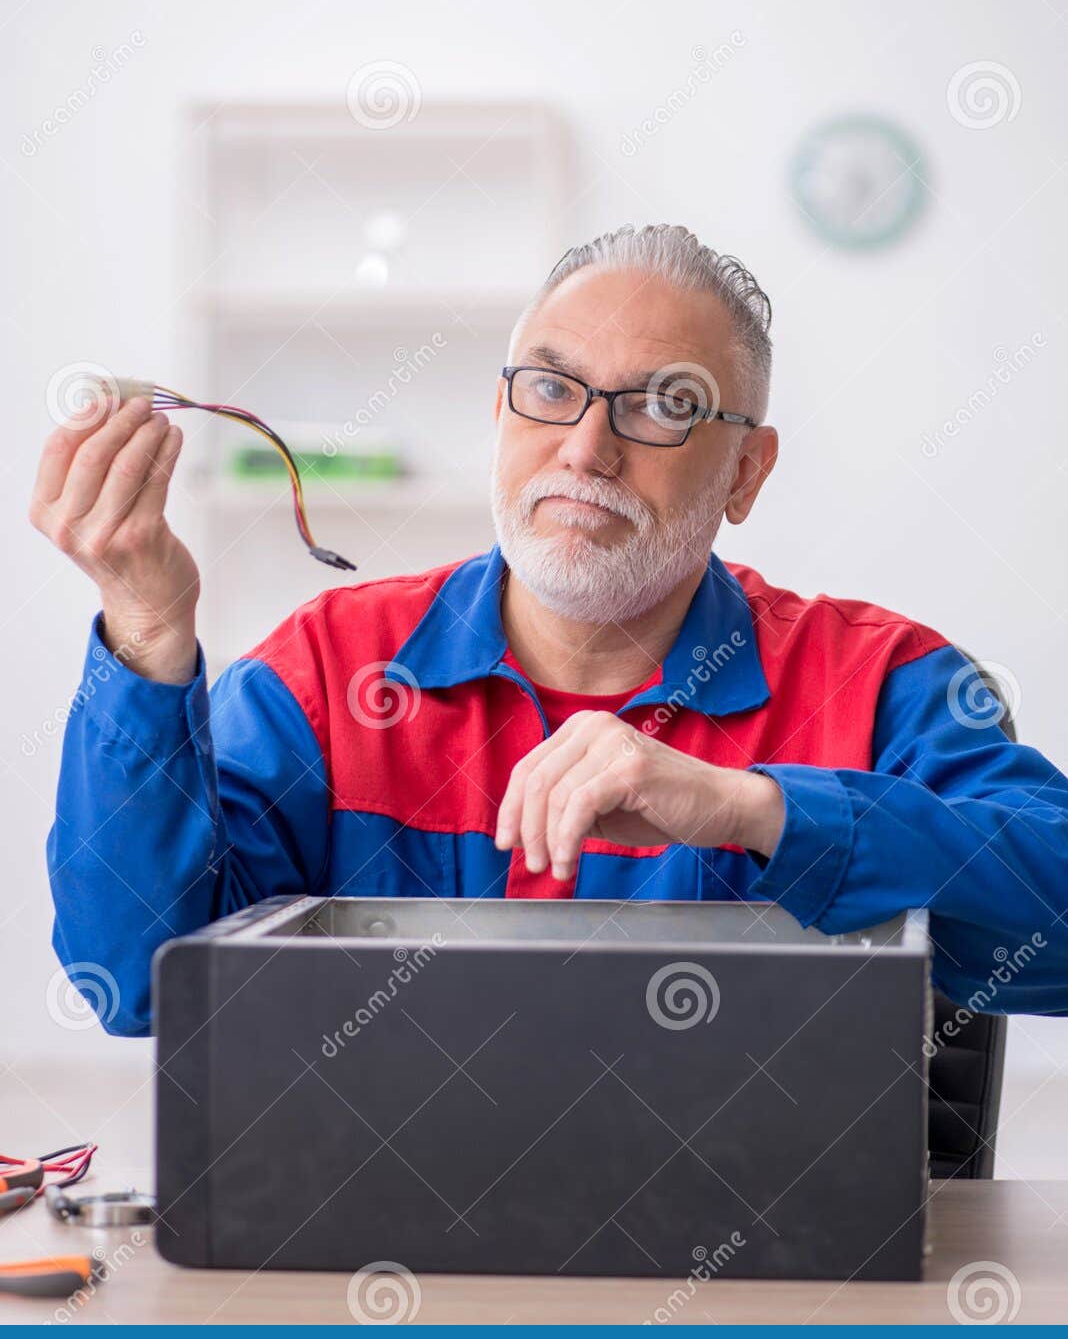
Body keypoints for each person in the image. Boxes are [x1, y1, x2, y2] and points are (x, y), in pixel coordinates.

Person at [32, 224, 1068, 1036]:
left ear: (745, 474)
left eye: (664, 404)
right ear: (502, 416)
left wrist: (756, 810)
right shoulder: (326, 675)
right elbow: (135, 981)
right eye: (551, 388)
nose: (586, 448)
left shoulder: (879, 679)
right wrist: (148, 628)